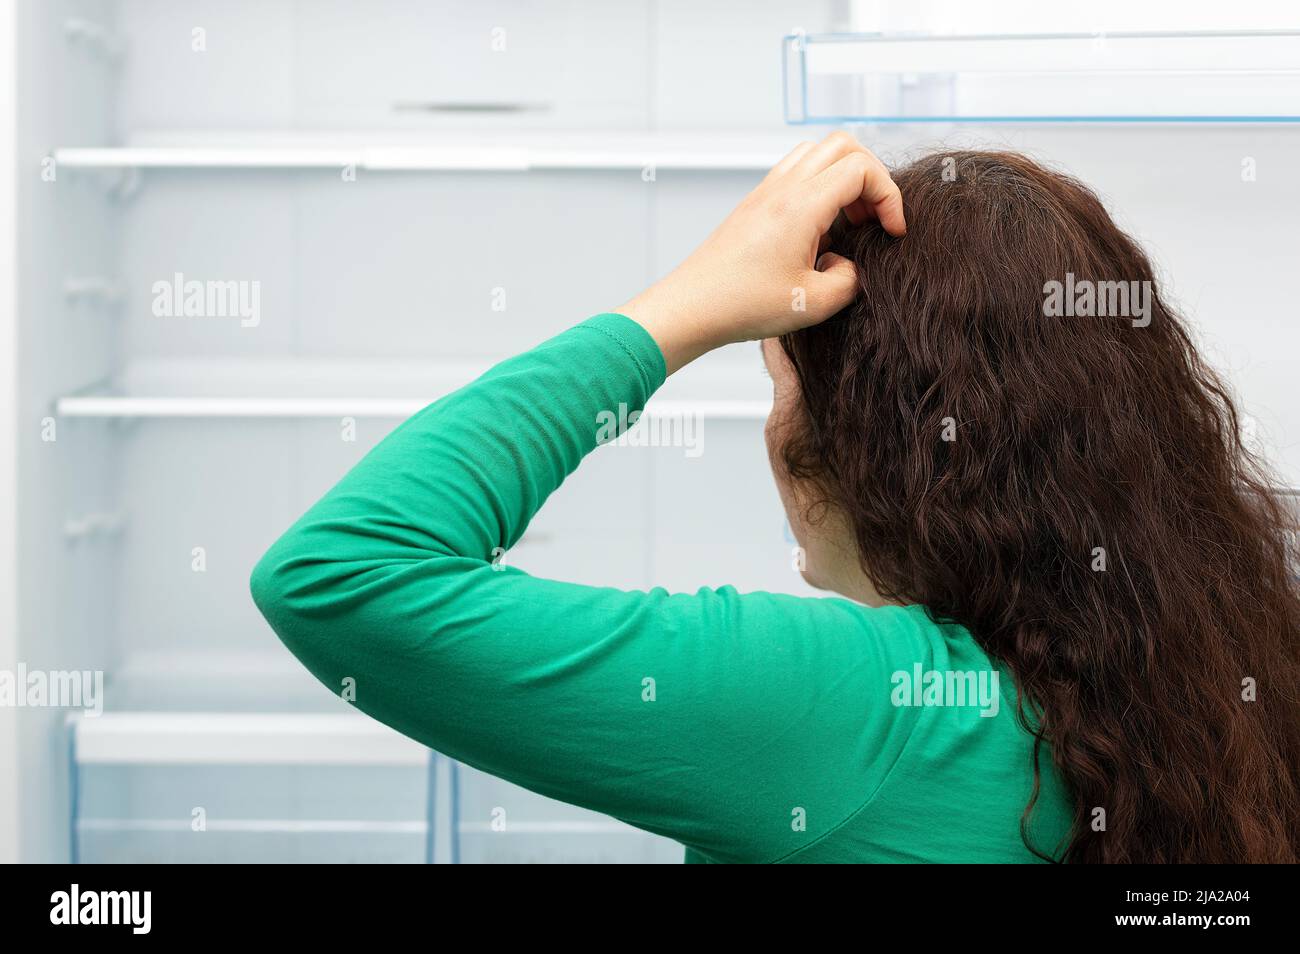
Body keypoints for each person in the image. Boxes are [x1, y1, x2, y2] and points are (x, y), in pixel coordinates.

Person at [251, 133, 1300, 863]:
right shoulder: (1222, 653)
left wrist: (685, 305)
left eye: (778, 383)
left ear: (860, 451)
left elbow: (339, 573)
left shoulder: (854, 709)